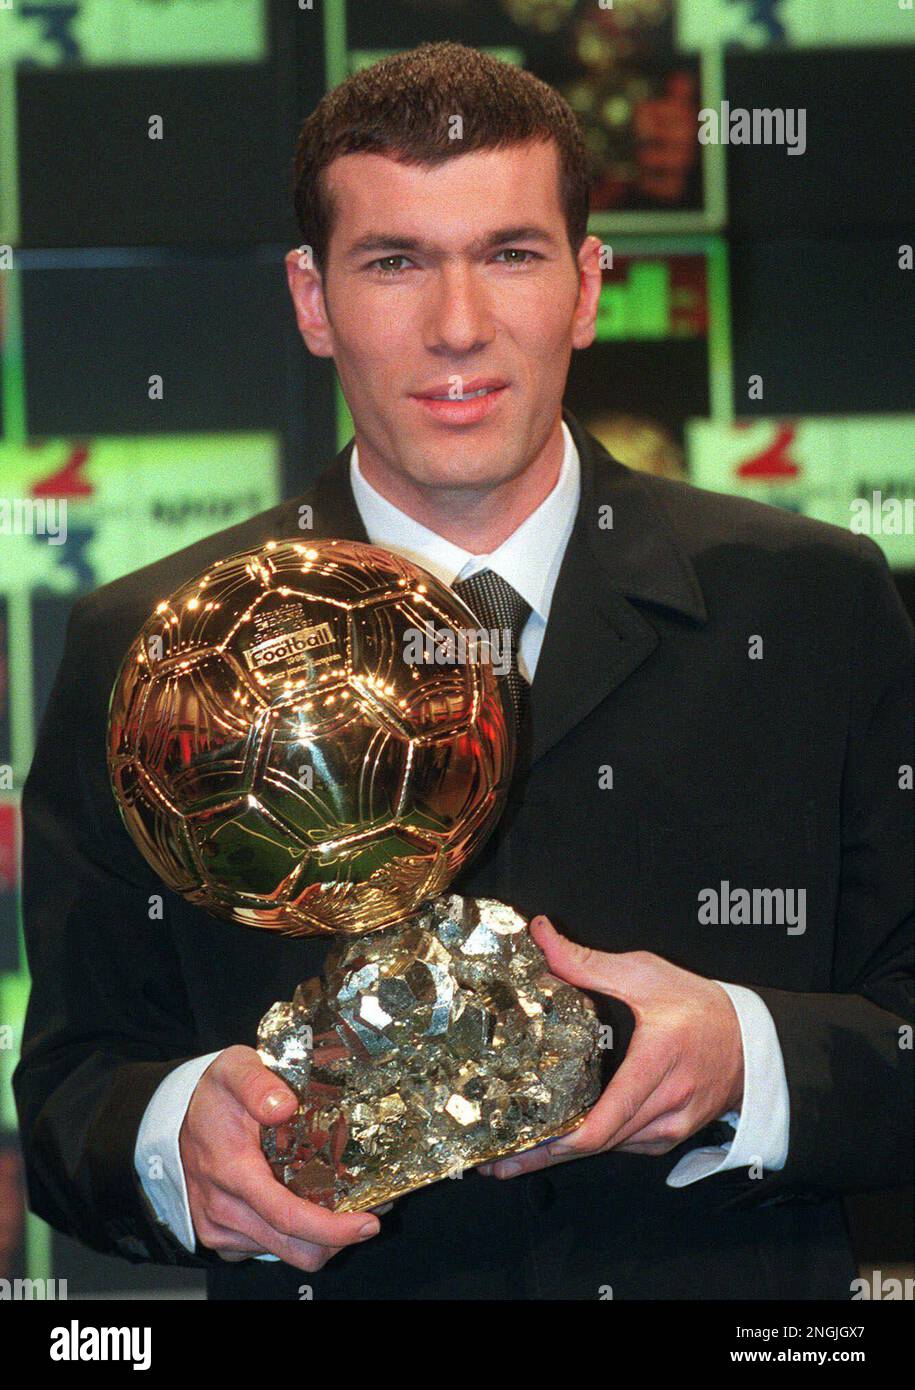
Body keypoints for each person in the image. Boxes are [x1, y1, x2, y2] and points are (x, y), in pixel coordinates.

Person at [14, 42, 913, 1300]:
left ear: (589, 285)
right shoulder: (151, 645)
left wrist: (749, 1057)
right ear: (312, 299)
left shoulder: (814, 604)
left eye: (511, 253)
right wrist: (177, 1142)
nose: (457, 327)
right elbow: (69, 1094)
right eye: (394, 262)